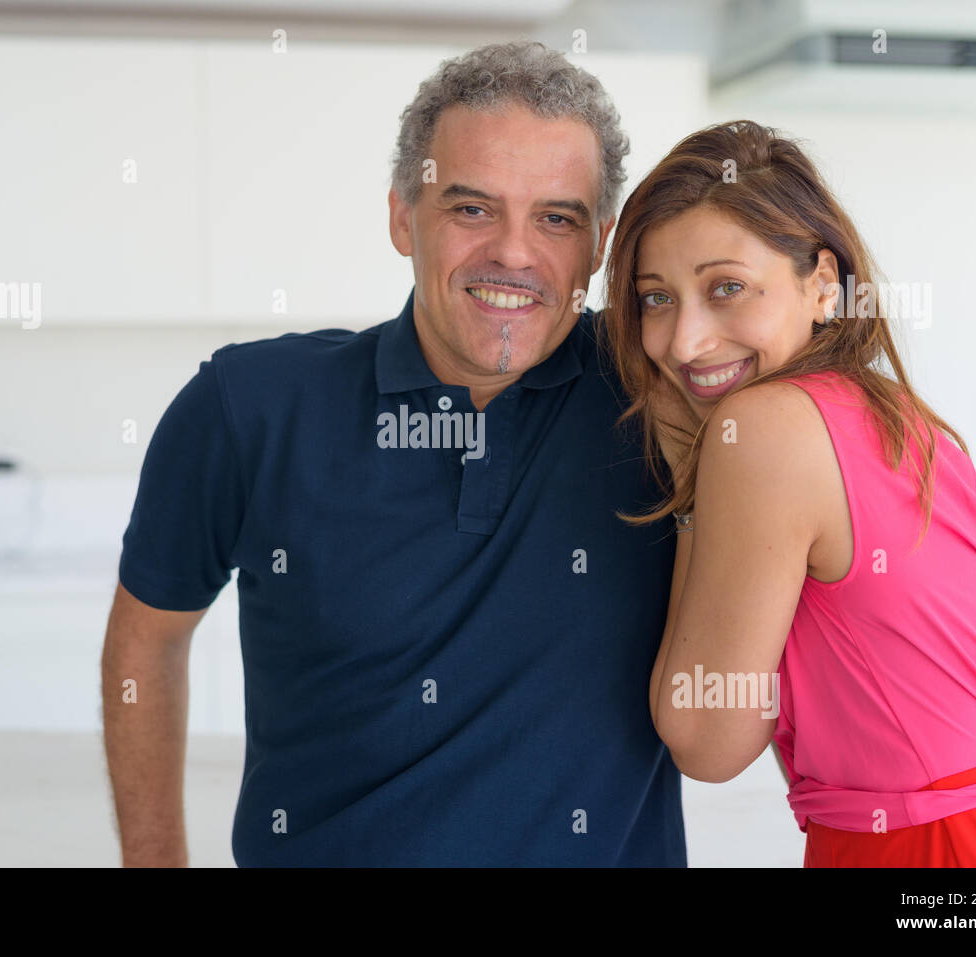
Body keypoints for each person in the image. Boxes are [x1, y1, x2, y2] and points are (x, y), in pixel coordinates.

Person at [101, 40, 687, 867]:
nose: (515, 254)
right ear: (401, 216)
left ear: (600, 244)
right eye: (471, 208)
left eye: (556, 218)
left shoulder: (663, 397)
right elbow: (147, 638)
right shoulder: (249, 408)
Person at [601, 119, 976, 867]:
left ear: (823, 283)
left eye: (727, 288)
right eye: (655, 299)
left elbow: (706, 735)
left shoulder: (765, 429)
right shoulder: (906, 422)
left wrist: (690, 473)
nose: (685, 340)